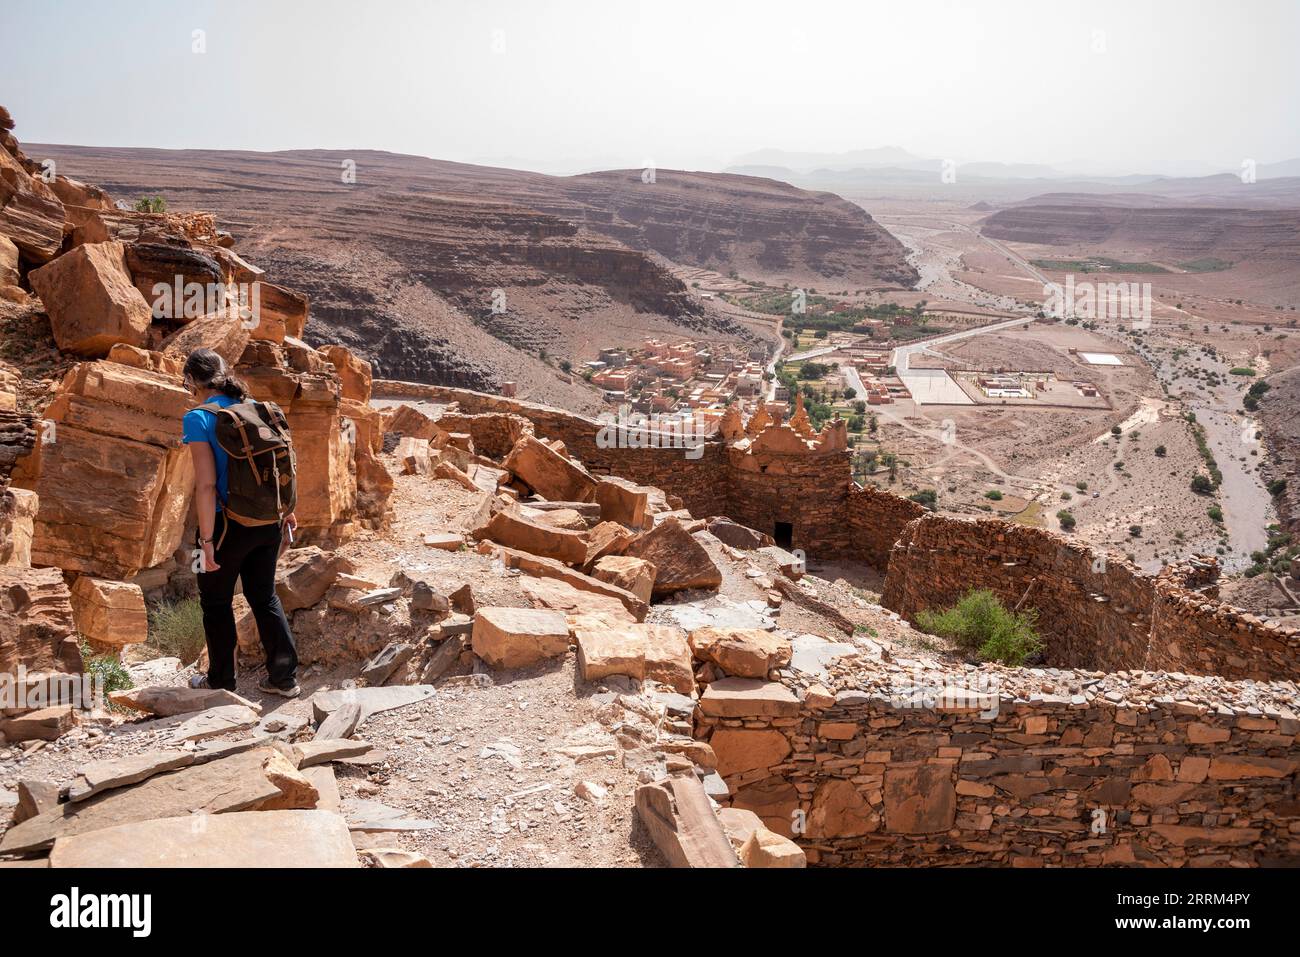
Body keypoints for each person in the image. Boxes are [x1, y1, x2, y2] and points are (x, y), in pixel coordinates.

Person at [181, 348, 301, 697]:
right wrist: (288, 509)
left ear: (191, 381)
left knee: (215, 602)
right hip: (268, 520)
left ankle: (220, 681)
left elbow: (205, 485)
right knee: (263, 596)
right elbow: (284, 465)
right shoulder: (259, 409)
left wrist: (206, 542)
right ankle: (284, 678)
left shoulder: (198, 418)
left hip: (225, 526)